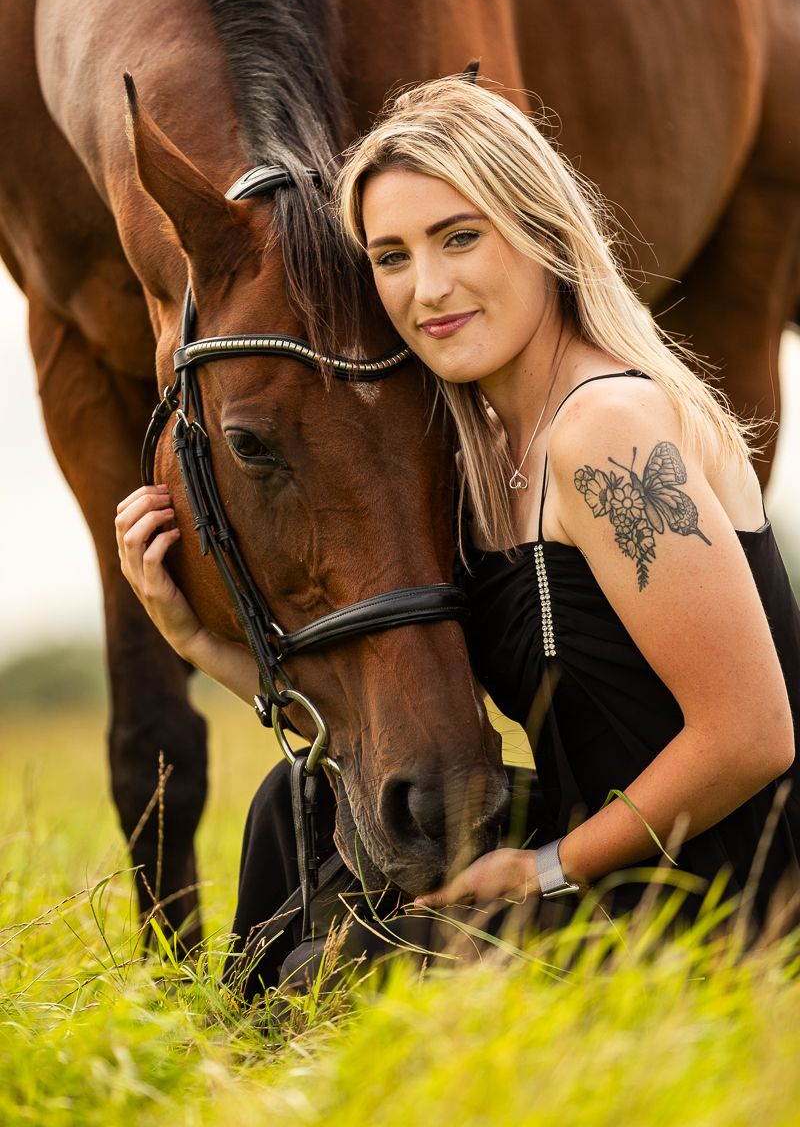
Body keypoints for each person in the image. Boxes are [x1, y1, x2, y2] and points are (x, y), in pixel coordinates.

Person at [116, 77, 800, 985]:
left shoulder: (608, 429)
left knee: (344, 970)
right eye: (391, 256)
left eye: (460, 237)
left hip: (718, 886)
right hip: (600, 844)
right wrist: (192, 637)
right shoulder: (479, 452)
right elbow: (384, 700)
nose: (427, 288)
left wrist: (542, 869)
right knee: (295, 808)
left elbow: (752, 735)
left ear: (540, 233)